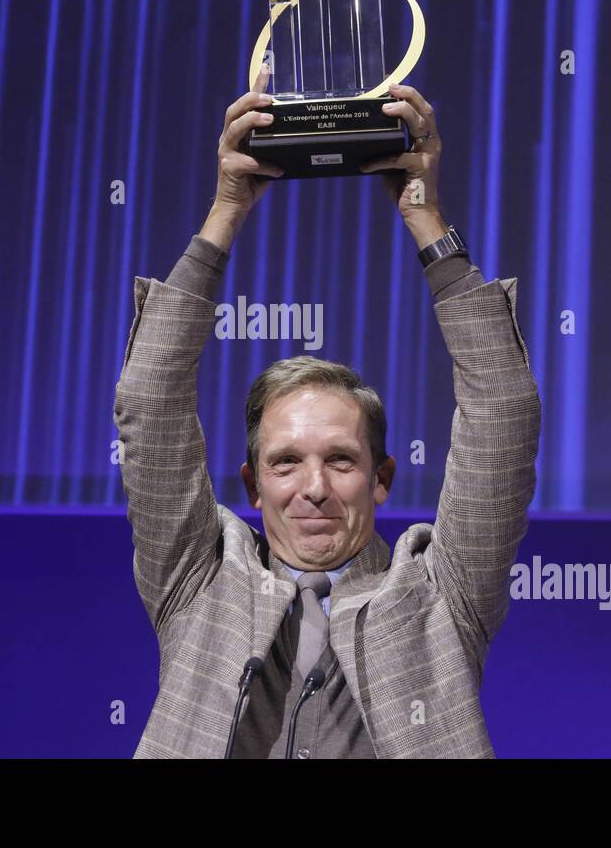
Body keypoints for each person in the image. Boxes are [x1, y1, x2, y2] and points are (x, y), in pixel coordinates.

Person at [113, 63, 541, 758]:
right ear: (251, 484)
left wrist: (425, 216)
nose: (313, 488)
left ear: (382, 478)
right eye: (286, 462)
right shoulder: (198, 577)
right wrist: (226, 210)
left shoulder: (440, 592)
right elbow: (149, 403)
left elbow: (504, 413)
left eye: (341, 460)